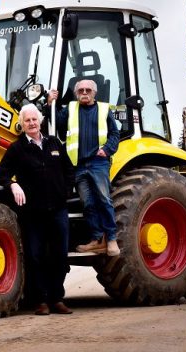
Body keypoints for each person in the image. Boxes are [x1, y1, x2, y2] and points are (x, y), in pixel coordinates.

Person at [0, 103, 75, 315]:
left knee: (60, 255)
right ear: (22, 124)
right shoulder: (17, 149)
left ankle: (57, 298)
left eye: (34, 119)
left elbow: (69, 170)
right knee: (35, 255)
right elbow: (0, 175)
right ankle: (41, 301)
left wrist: (65, 192)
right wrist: (13, 185)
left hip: (58, 209)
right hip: (33, 212)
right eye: (27, 120)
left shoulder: (54, 143)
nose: (31, 123)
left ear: (40, 121)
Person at [48, 79, 120, 256]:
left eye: (88, 90)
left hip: (98, 163)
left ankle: (111, 239)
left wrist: (107, 150)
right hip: (78, 165)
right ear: (76, 93)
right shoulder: (71, 109)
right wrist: (50, 104)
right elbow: (57, 122)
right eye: (81, 90)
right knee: (87, 204)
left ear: (94, 92)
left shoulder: (104, 109)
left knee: (104, 200)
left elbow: (114, 133)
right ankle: (97, 239)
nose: (85, 93)